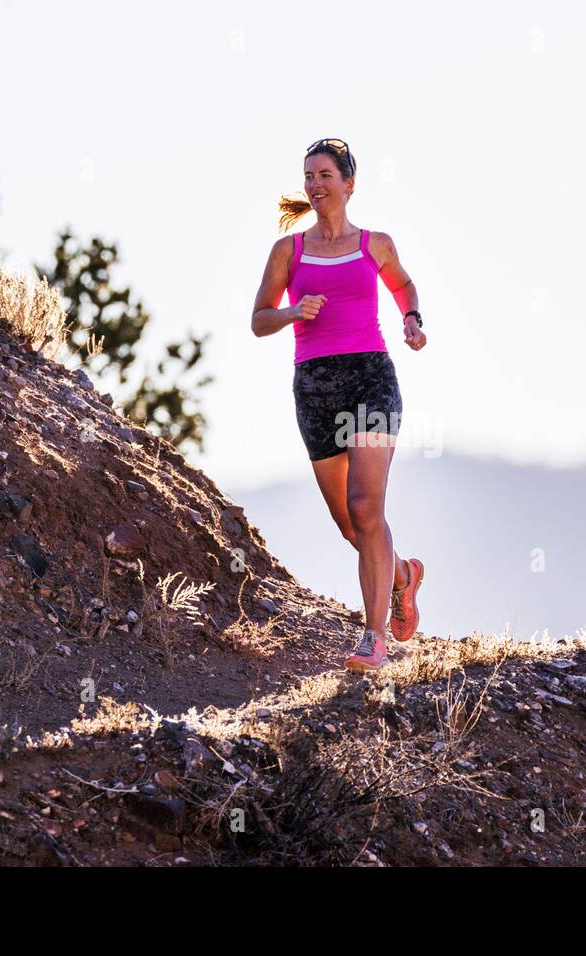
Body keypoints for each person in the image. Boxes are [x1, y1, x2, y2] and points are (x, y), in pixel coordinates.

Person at [250, 137, 426, 671]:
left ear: (349, 184)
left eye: (326, 174)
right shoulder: (289, 251)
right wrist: (292, 312)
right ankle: (402, 576)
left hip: (370, 378)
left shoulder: (376, 244)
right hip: (315, 387)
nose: (316, 184)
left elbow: (404, 286)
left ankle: (374, 638)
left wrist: (412, 319)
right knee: (351, 523)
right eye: (309, 176)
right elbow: (259, 320)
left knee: (368, 507)